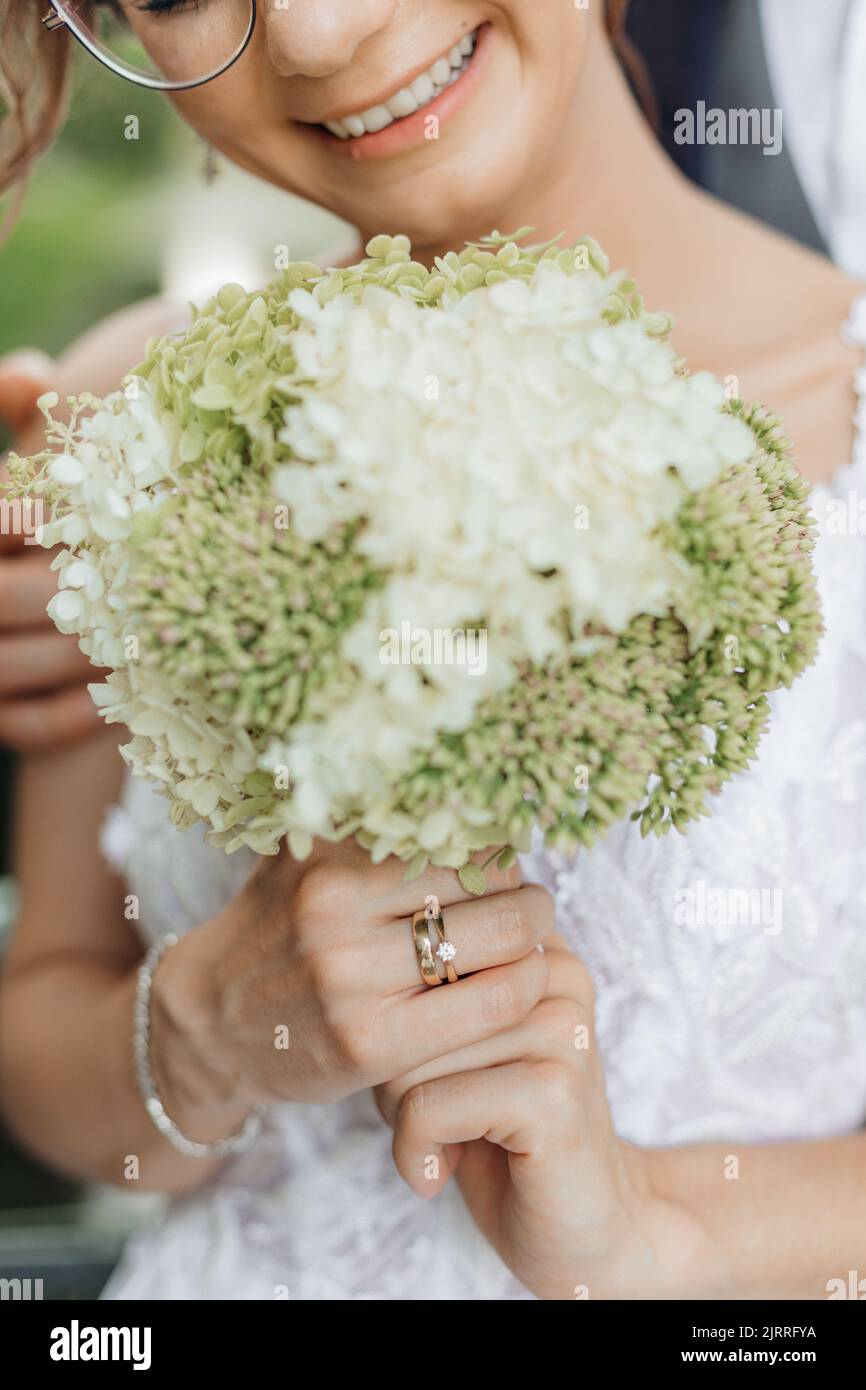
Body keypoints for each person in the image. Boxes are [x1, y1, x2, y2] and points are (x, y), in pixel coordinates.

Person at [0, 0, 864, 1301]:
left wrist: (659, 1235)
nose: (313, 33)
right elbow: (51, 1054)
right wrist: (206, 1031)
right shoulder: (133, 437)